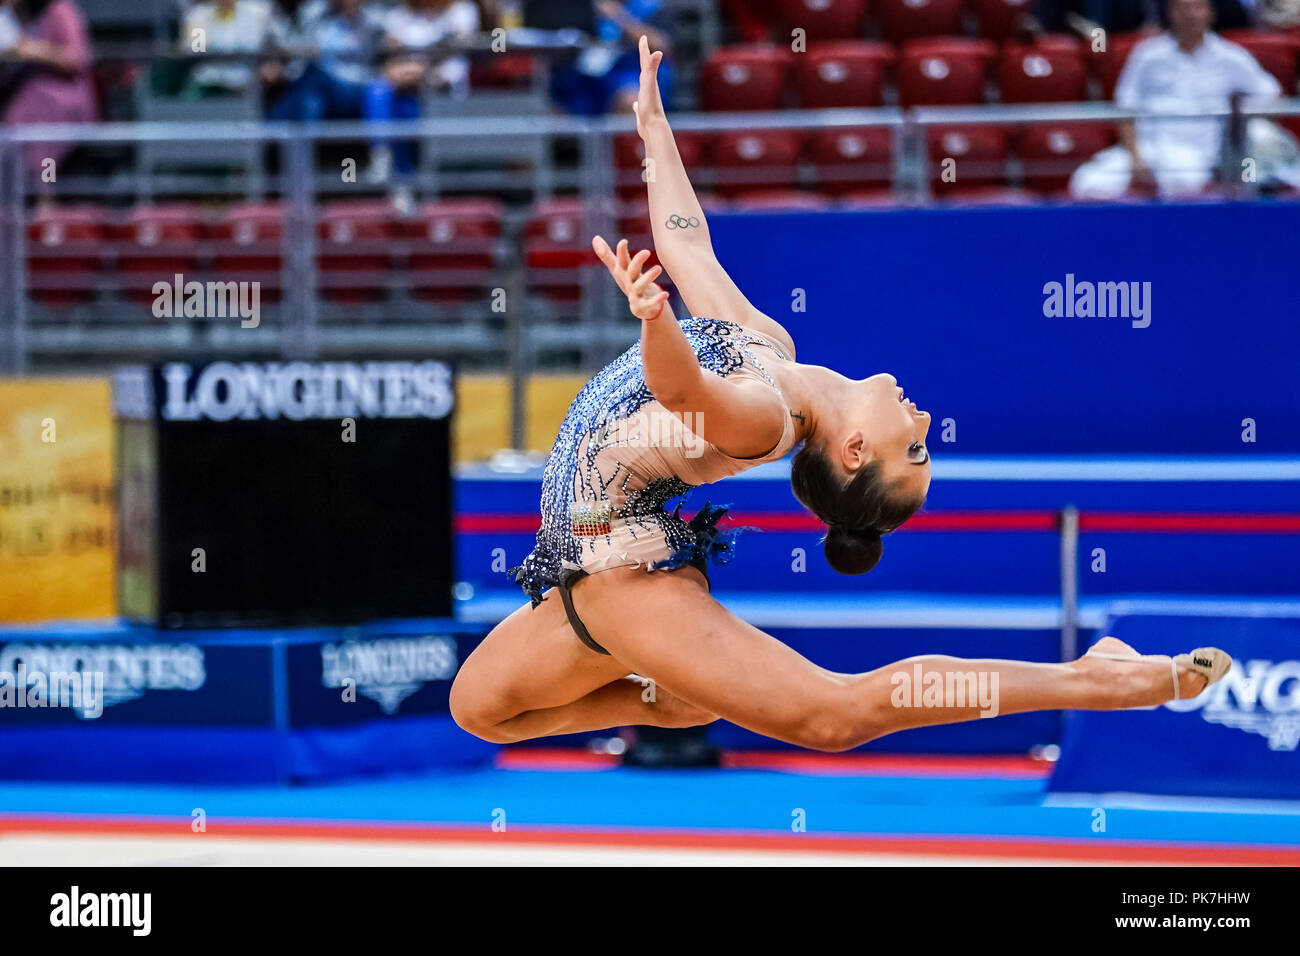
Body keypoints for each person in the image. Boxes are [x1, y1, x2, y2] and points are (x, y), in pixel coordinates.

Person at [449, 37, 1232, 751]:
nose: (924, 417)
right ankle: (673, 695)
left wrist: (654, 320)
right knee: (477, 710)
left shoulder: (761, 423)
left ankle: (1095, 680)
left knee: (834, 717)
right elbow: (688, 243)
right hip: (599, 557)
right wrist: (655, 131)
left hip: (623, 572)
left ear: (854, 451)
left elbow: (680, 392)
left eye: (914, 445)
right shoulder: (771, 351)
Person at [1069, 0, 1284, 199]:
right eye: (1183, 8)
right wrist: (1135, 157)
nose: (1190, 15)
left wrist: (1239, 127)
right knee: (1088, 184)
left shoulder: (1231, 57)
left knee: (1183, 184)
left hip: (1197, 155)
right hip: (1147, 149)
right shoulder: (1147, 54)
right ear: (1171, 13)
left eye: (1196, 8)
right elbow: (1125, 108)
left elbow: (1272, 94)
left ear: (1210, 14)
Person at [0, 0, 97, 183]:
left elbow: (77, 58)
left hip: (59, 102)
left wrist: (29, 50)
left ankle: (46, 203)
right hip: (22, 103)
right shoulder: (14, 14)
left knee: (45, 155)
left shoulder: (59, 10)